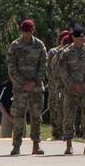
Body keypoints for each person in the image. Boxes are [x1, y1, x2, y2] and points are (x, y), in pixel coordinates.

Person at [7, 19, 49, 155]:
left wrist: (34, 82)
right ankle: (16, 145)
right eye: (24, 32)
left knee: (36, 117)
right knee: (18, 117)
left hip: (36, 87)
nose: (26, 34)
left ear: (33, 31)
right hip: (20, 88)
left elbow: (43, 65)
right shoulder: (15, 45)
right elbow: (11, 67)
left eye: (28, 32)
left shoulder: (39, 45)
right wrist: (23, 83)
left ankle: (36, 145)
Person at [61, 25, 85, 155]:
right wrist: (73, 84)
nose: (81, 41)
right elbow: (63, 72)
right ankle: (69, 145)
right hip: (71, 91)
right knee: (69, 117)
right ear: (73, 38)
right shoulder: (66, 53)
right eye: (78, 39)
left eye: (83, 39)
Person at [47, 30, 72, 140]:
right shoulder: (53, 52)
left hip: (68, 87)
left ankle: (68, 132)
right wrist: (56, 85)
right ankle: (56, 132)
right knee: (55, 109)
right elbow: (49, 71)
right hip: (55, 87)